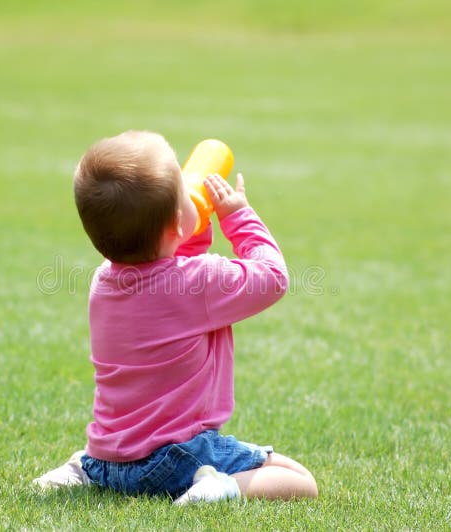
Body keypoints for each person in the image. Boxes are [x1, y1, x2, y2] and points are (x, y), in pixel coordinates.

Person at [33, 131, 317, 504]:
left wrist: (188, 227)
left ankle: (82, 471)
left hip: (109, 457)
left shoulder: (103, 281)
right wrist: (238, 216)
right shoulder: (196, 284)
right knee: (299, 480)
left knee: (108, 457)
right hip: (175, 459)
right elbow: (273, 278)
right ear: (176, 224)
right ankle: (220, 488)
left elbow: (170, 269)